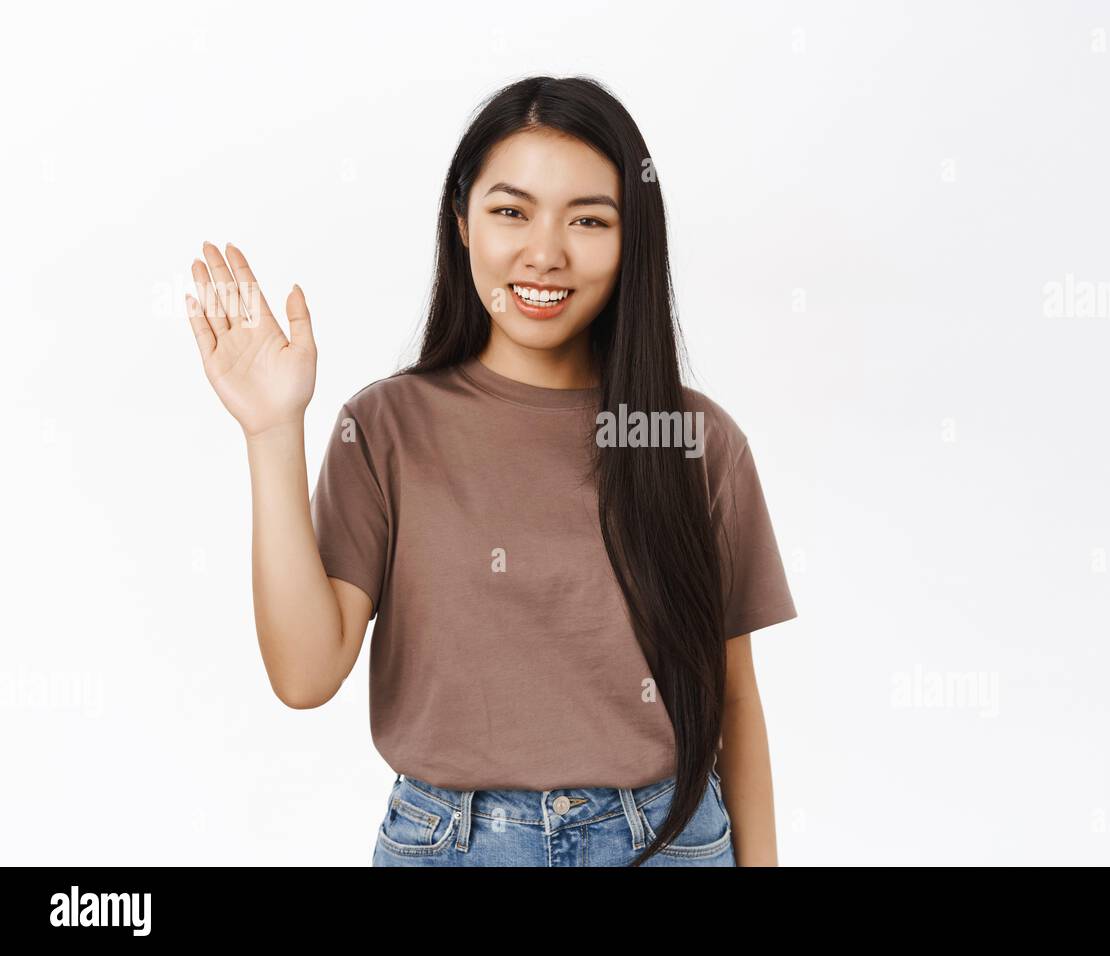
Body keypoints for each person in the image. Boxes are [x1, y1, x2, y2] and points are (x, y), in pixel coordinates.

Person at [184, 75, 797, 867]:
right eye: (512, 211)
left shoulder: (695, 438)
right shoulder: (385, 429)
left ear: (632, 238)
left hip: (668, 841)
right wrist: (271, 431)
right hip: (451, 845)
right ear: (463, 222)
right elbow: (304, 675)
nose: (545, 253)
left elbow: (736, 698)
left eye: (589, 219)